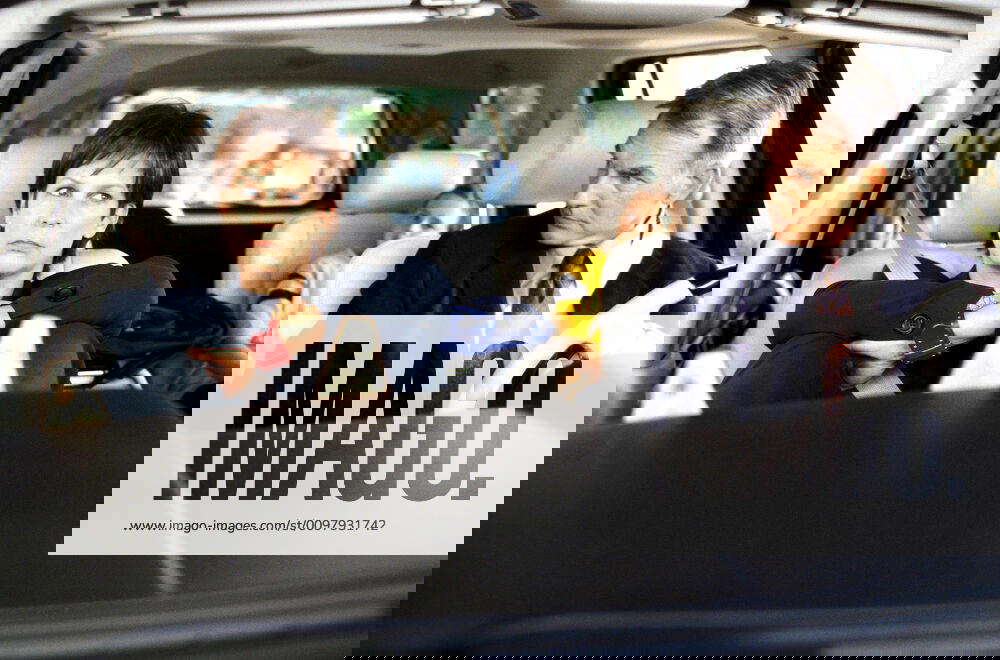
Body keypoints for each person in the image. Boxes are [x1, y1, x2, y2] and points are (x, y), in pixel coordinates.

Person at [0, 103, 232, 399]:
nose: (56, 216)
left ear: (110, 218)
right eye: (63, 189)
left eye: (100, 196)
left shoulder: (105, 296)